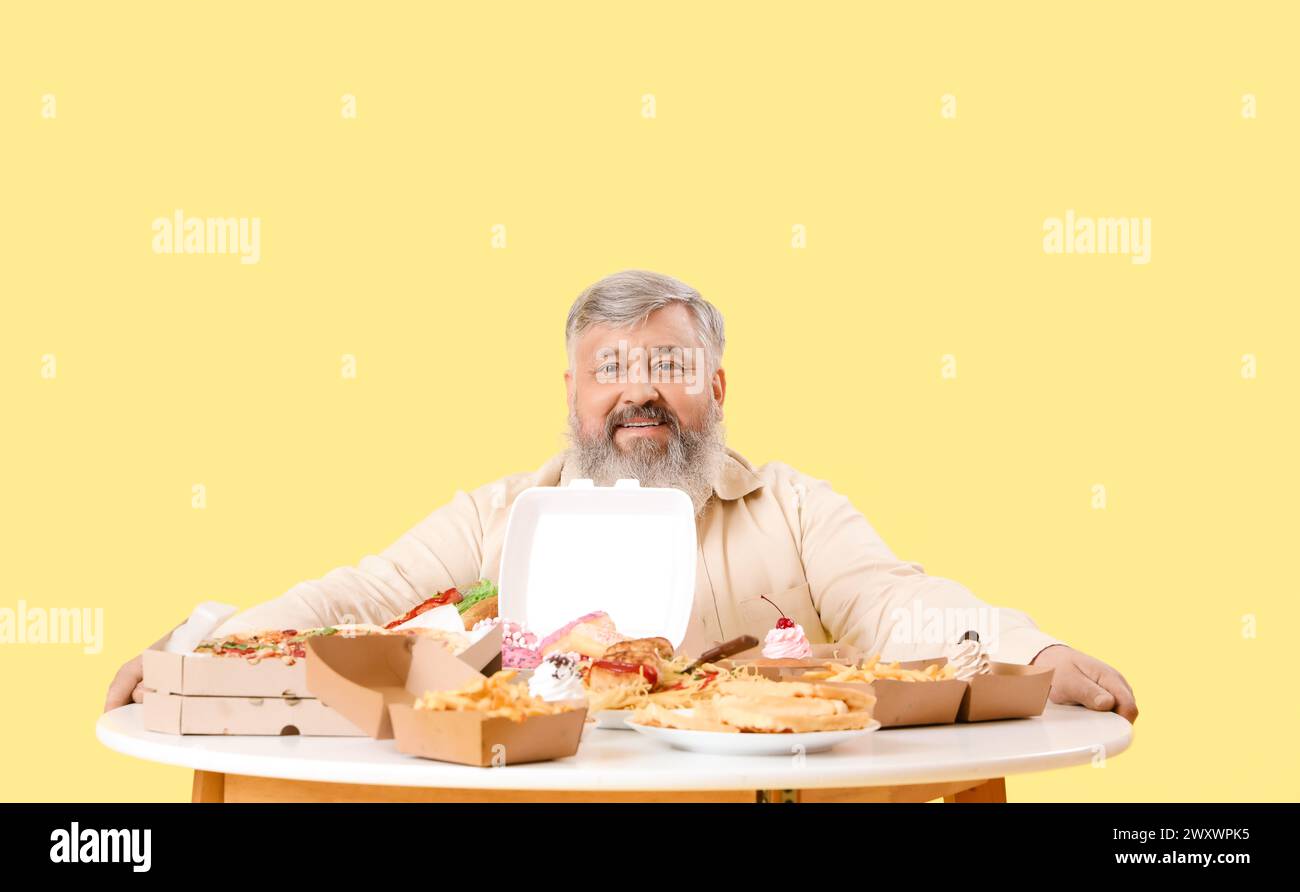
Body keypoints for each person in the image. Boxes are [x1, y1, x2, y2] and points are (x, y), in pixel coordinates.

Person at [105, 270, 1138, 724]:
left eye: (670, 362)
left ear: (717, 387)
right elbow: (360, 596)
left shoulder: (791, 509)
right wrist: (198, 648)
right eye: (610, 367)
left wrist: (1026, 647)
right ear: (570, 394)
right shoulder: (498, 514)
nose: (639, 388)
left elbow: (894, 600)